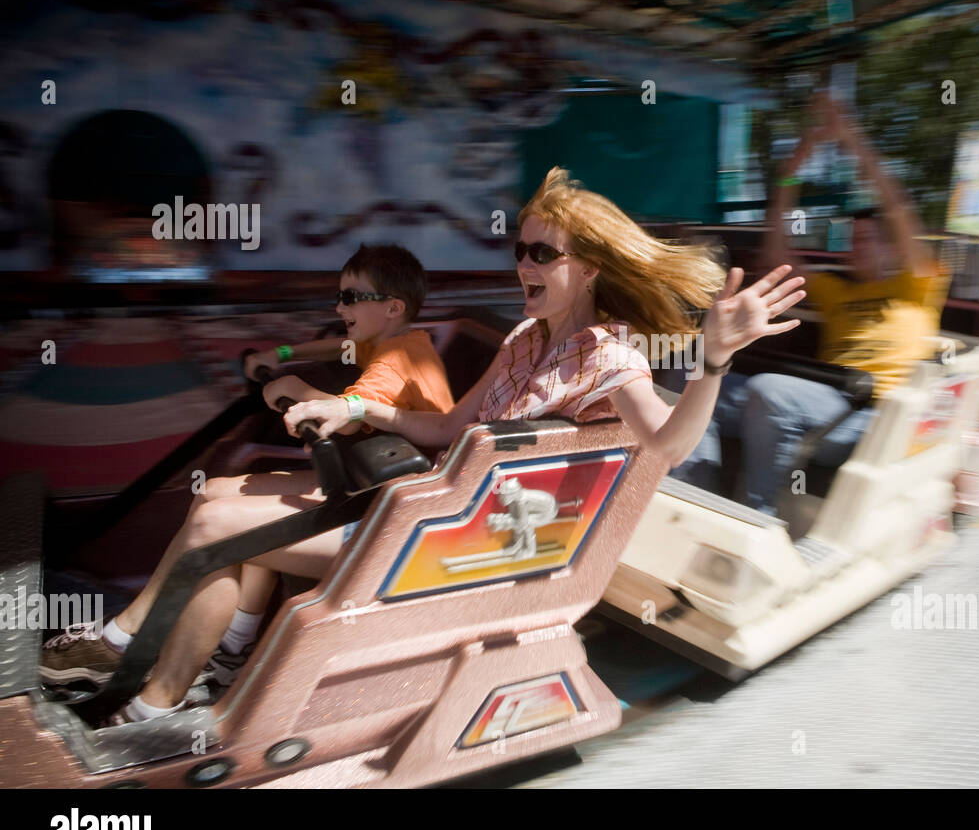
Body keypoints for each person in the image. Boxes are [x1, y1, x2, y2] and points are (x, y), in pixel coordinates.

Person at [62, 167, 804, 726]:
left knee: (218, 525)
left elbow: (668, 445)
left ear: (590, 268)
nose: (524, 266)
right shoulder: (522, 342)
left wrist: (712, 361)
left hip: (473, 547)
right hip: (433, 508)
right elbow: (445, 430)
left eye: (543, 253)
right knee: (226, 500)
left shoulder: (612, 359)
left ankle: (132, 662)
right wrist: (345, 406)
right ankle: (189, 684)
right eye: (521, 250)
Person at [41, 243, 456, 713]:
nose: (339, 307)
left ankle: (126, 650)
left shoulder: (399, 359)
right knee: (214, 492)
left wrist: (298, 389)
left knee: (212, 529)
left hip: (394, 510)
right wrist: (281, 352)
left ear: (392, 307)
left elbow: (347, 408)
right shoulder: (386, 340)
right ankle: (232, 647)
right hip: (371, 486)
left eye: (350, 298)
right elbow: (335, 345)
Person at [673, 92, 951, 512]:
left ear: (895, 248)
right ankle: (697, 493)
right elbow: (776, 258)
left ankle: (754, 519)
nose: (857, 247)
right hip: (826, 396)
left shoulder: (918, 283)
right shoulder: (838, 290)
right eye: (853, 239)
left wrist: (852, 137)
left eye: (868, 239)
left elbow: (897, 204)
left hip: (873, 415)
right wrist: (789, 173)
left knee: (771, 391)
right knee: (689, 373)